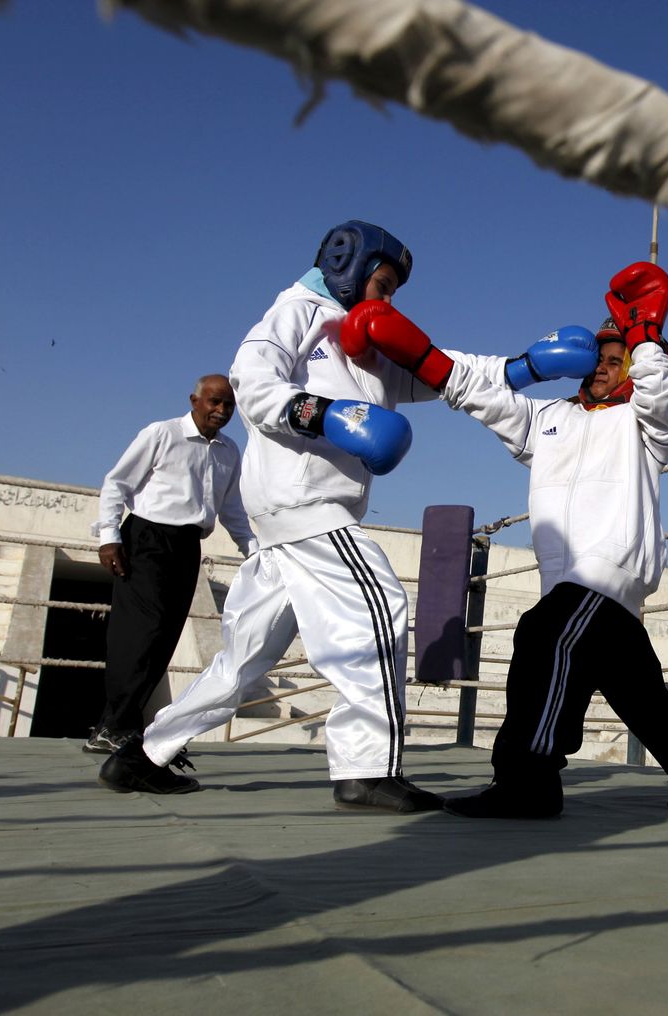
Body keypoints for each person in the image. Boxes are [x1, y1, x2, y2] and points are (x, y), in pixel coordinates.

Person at [350, 261, 668, 817]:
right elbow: (484, 397)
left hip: (607, 567)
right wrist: (424, 357)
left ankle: (528, 780)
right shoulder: (548, 420)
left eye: (617, 362)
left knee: (543, 634)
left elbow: (660, 393)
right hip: (568, 580)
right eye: (598, 359)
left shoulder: (644, 425)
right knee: (634, 688)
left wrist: (647, 335)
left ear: (635, 369)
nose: (602, 369)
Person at [100, 220, 444, 813]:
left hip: (282, 527)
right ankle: (366, 768)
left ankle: (142, 754)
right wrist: (331, 417)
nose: (387, 301)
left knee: (243, 660)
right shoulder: (298, 310)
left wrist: (520, 369)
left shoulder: (365, 337)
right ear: (350, 264)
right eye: (382, 284)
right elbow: (252, 383)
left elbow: (427, 375)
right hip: (307, 506)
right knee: (380, 608)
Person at [86, 375, 257, 754]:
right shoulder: (161, 434)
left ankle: (116, 726)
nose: (221, 411)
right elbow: (117, 484)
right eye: (214, 402)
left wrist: (254, 550)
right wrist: (109, 537)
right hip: (146, 539)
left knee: (164, 638)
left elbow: (231, 509)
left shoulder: (229, 451)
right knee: (138, 635)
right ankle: (114, 726)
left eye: (228, 405)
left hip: (187, 546)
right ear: (194, 400)